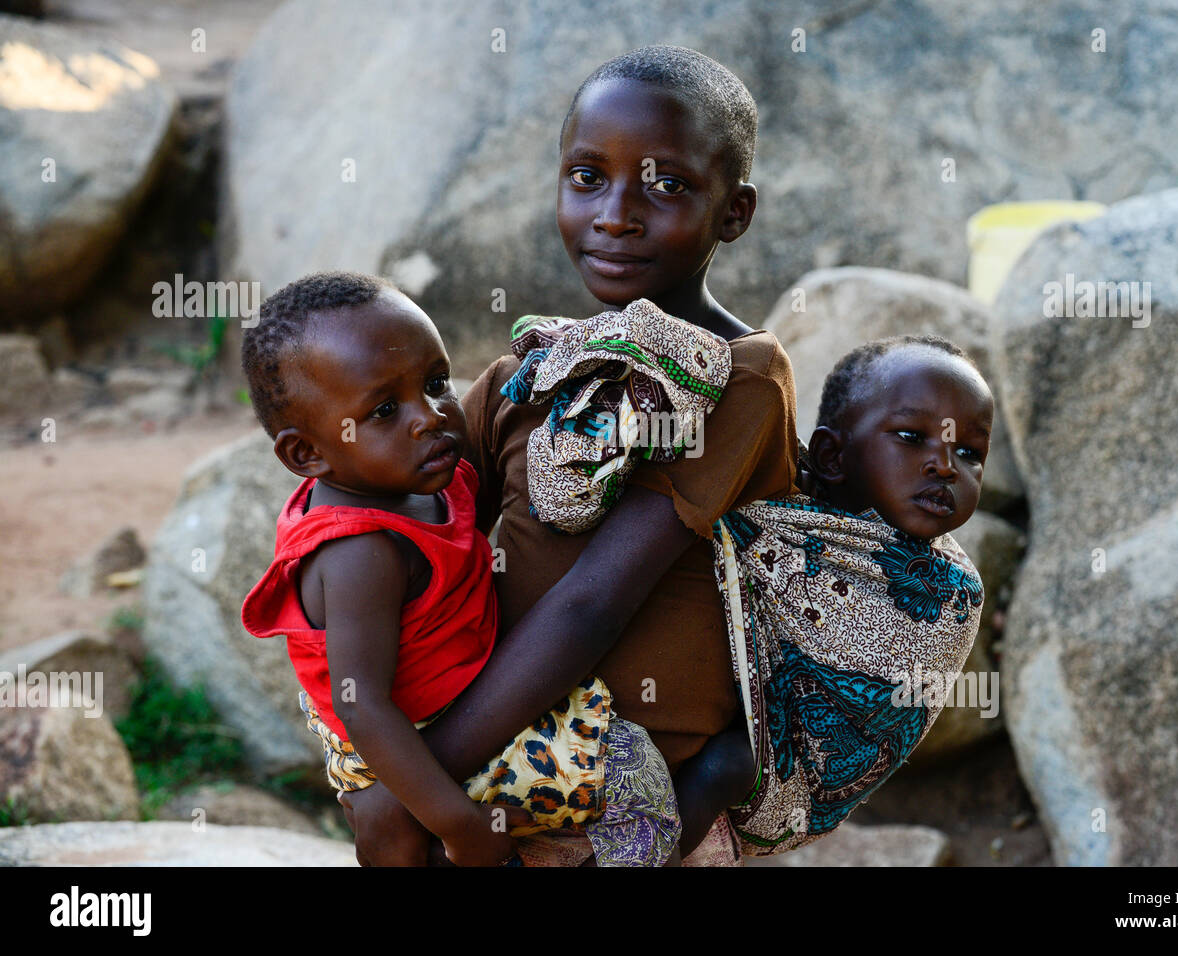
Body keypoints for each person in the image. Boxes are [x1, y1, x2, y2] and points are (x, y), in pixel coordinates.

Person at [340, 45, 799, 866]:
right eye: (588, 177)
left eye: (667, 185)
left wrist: (412, 788)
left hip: (623, 803)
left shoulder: (741, 380)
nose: (615, 215)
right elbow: (411, 528)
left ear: (734, 212)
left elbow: (593, 604)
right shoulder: (528, 376)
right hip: (500, 769)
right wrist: (399, 762)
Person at [240, 272, 682, 866]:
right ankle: (410, 833)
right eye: (385, 409)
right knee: (635, 776)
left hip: (444, 706)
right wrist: (460, 824)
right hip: (397, 744)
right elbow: (361, 705)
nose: (430, 416)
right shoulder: (361, 552)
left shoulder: (417, 476)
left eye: (435, 383)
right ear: (307, 453)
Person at [711, 334, 994, 853]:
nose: (945, 465)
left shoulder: (952, 591)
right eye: (912, 436)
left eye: (969, 452)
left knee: (721, 766)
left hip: (761, 780)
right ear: (831, 456)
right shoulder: (770, 502)